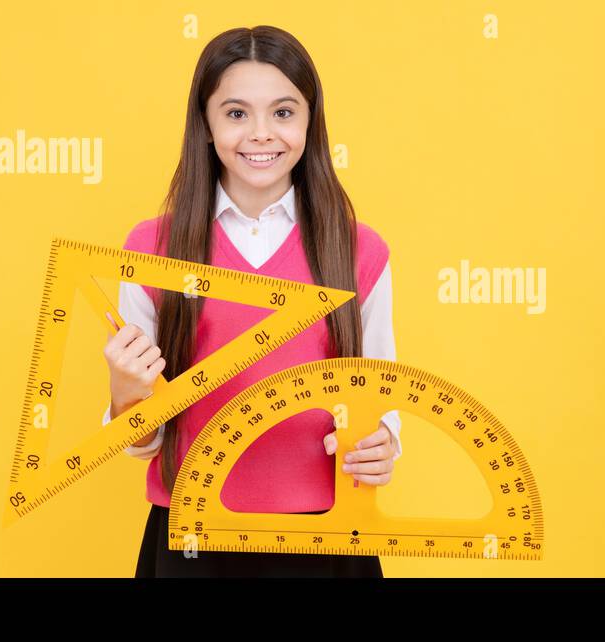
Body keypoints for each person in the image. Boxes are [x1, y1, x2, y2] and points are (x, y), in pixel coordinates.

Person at [100, 25, 402, 577]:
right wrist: (124, 394)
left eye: (284, 112)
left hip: (327, 540)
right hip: (192, 539)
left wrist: (381, 444)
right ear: (206, 124)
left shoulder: (361, 251)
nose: (261, 134)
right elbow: (142, 439)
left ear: (311, 122)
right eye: (237, 113)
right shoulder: (151, 249)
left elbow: (381, 397)